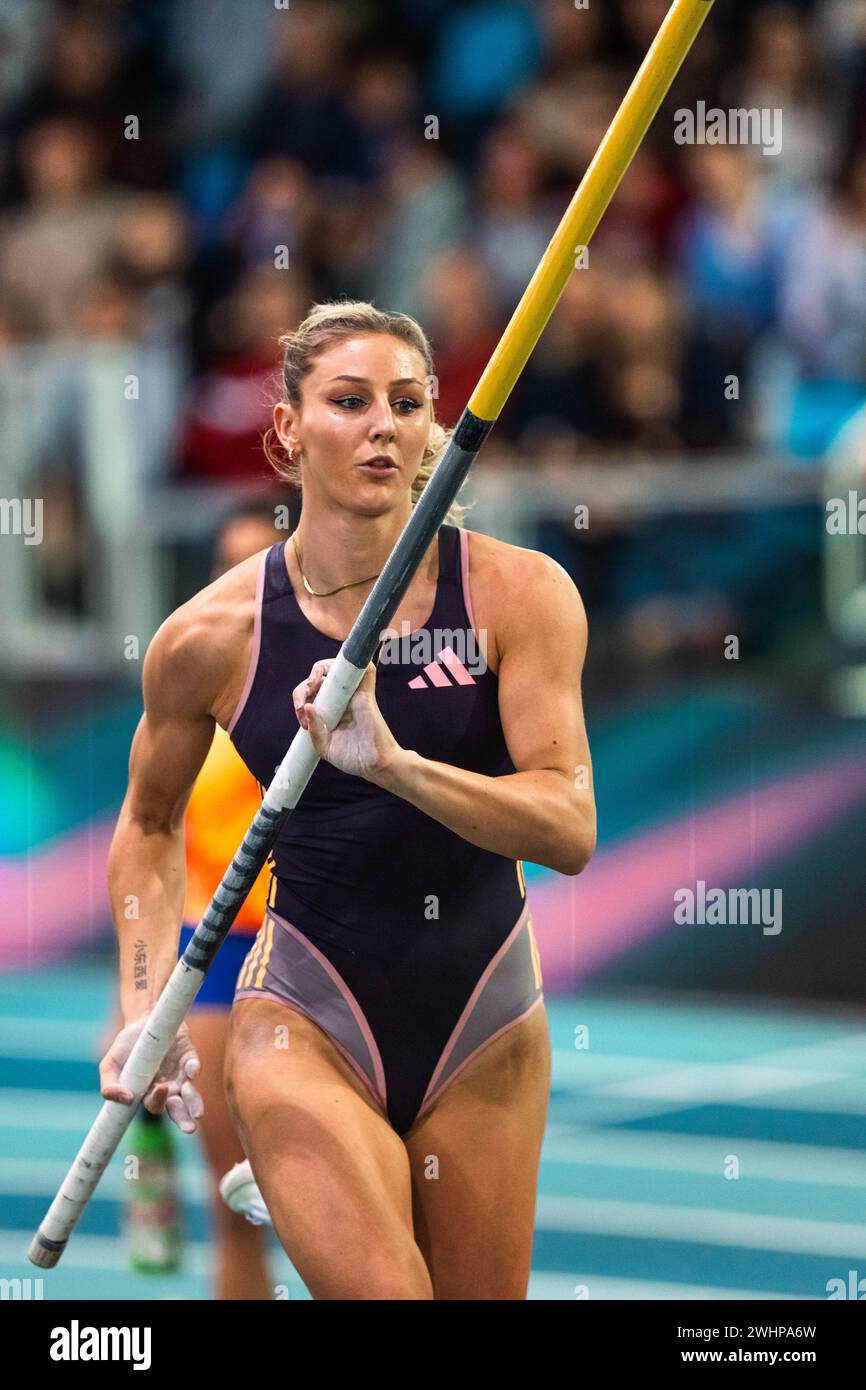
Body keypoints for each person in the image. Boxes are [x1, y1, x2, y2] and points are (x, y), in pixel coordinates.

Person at [100, 300, 596, 1300]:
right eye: (349, 400)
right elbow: (147, 824)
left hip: (486, 1021)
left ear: (431, 432)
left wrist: (394, 762)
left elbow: (567, 827)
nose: (382, 424)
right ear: (286, 429)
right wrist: (143, 995)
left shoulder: (518, 596)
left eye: (407, 403)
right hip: (304, 1021)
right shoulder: (211, 636)